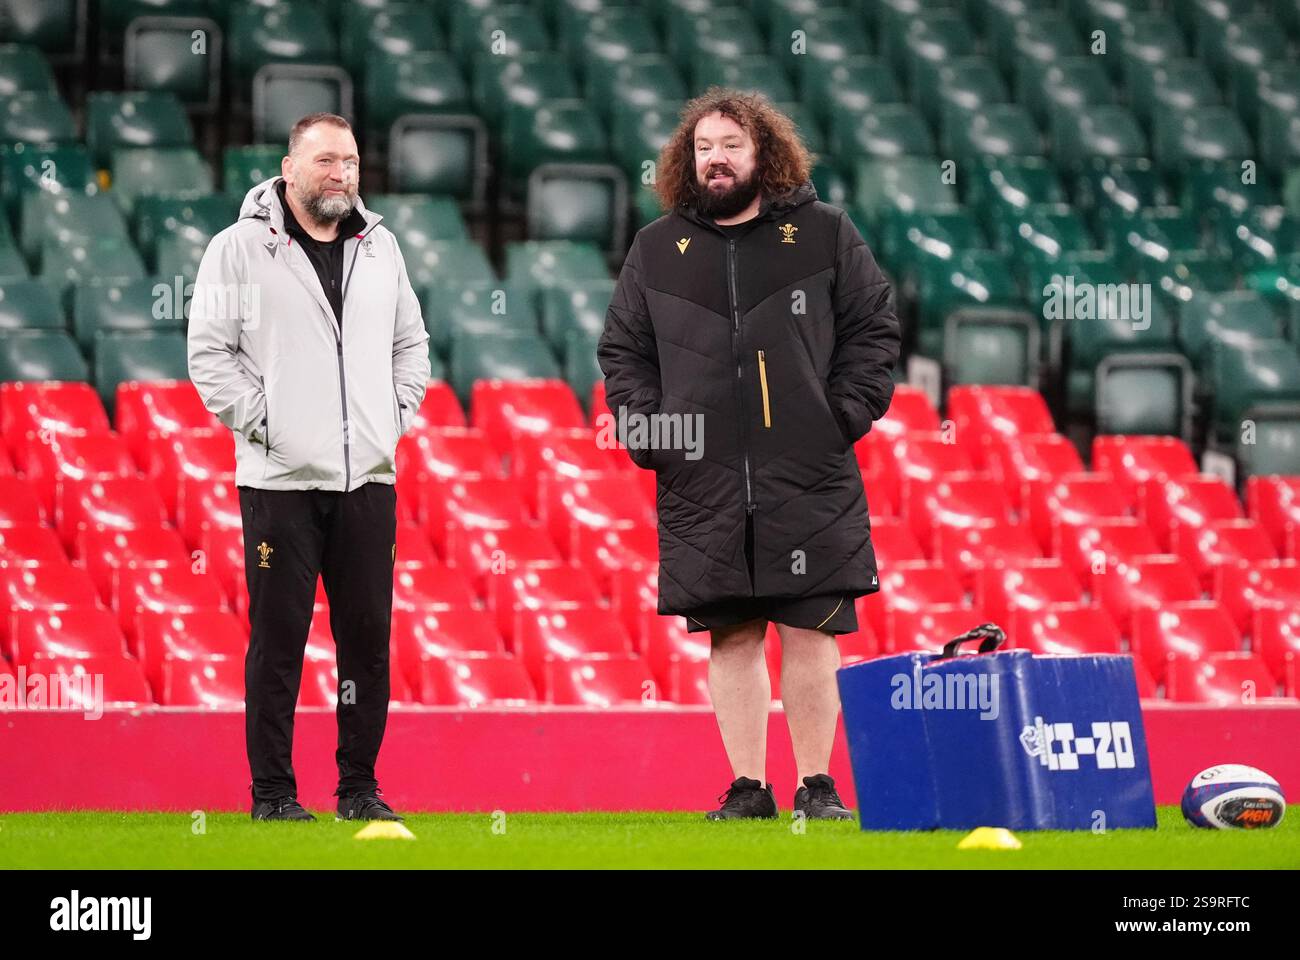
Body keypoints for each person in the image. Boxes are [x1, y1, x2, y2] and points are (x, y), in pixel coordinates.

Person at [597, 88, 901, 820]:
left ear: (763, 151)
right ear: (687, 159)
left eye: (731, 144)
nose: (717, 159)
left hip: (809, 470)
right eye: (704, 147)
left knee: (810, 627)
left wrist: (839, 416)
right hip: (700, 480)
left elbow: (874, 329)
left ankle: (816, 785)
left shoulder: (825, 233)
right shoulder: (656, 248)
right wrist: (656, 438)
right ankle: (747, 786)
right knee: (731, 631)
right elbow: (623, 355)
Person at [187, 113, 430, 822]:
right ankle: (272, 795)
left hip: (368, 482)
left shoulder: (382, 248)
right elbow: (209, 356)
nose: (341, 173)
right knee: (279, 644)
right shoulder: (236, 249)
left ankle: (359, 790)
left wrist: (391, 415)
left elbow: (410, 343)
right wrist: (272, 428)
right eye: (325, 160)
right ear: (288, 169)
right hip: (280, 483)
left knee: (367, 644)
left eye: (350, 161)